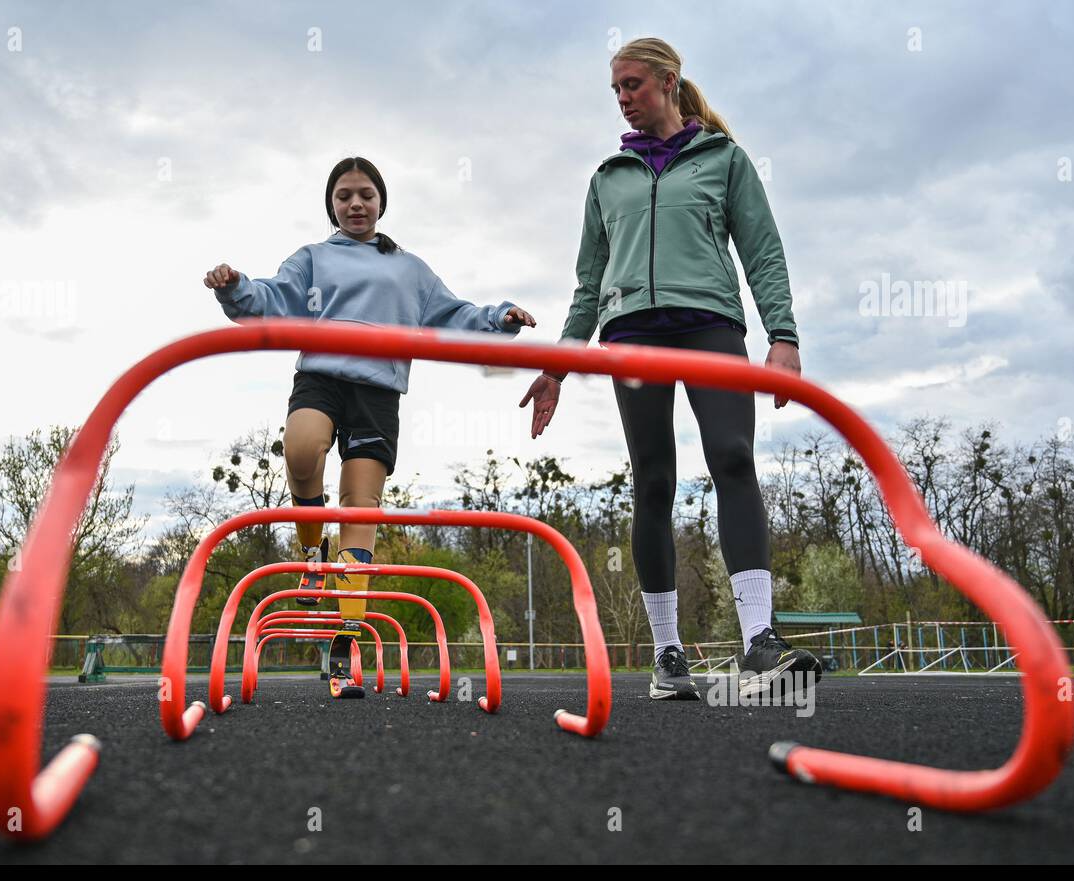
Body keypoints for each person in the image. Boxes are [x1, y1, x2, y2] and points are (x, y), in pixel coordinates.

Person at [519, 38, 821, 701]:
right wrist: (558, 367)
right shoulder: (606, 179)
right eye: (615, 90)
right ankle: (667, 655)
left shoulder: (724, 160)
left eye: (633, 85)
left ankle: (758, 642)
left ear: (668, 82)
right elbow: (587, 284)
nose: (623, 98)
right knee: (654, 482)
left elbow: (762, 252)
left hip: (710, 324)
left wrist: (784, 335)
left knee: (733, 457)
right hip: (630, 335)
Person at [206, 156, 535, 697]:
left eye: (365, 194)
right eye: (343, 196)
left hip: (378, 392)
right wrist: (234, 286)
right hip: (322, 376)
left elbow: (456, 316)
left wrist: (500, 318)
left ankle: (343, 651)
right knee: (302, 449)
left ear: (381, 202)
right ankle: (312, 551)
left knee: (359, 517)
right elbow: (270, 298)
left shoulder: (410, 270)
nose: (355, 204)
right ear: (331, 205)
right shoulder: (312, 258)